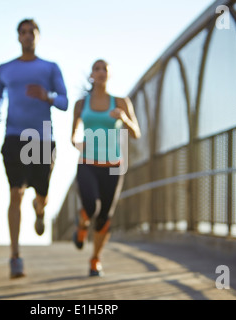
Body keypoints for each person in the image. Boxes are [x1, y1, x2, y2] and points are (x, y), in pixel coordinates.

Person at [0, 19, 68, 278]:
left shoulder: (49, 68)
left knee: (41, 193)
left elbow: (65, 102)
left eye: (31, 32)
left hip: (42, 139)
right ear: (18, 37)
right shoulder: (5, 69)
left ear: (37, 36)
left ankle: (41, 209)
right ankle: (15, 256)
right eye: (23, 32)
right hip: (14, 137)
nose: (27, 36)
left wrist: (47, 96)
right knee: (16, 193)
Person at [71, 59, 140, 276]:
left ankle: (95, 259)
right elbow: (72, 134)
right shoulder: (81, 104)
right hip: (88, 163)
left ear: (109, 75)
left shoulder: (120, 102)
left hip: (113, 166)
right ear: (92, 74)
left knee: (104, 218)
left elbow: (136, 133)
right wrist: (76, 143)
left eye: (105, 69)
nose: (101, 72)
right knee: (91, 207)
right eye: (97, 69)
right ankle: (82, 223)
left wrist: (124, 119)